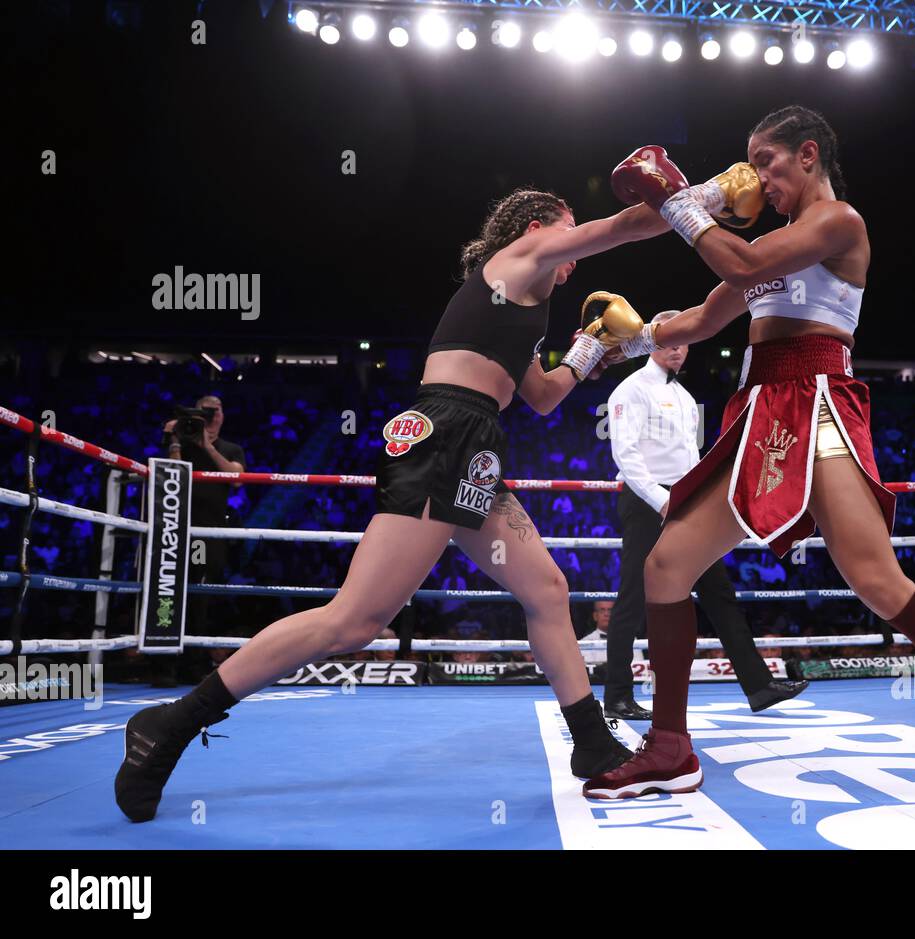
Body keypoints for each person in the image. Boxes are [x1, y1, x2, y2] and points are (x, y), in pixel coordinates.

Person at [115, 188, 671, 822]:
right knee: (352, 622)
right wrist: (693, 201)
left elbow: (541, 396)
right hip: (444, 436)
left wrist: (590, 345)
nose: (575, 259)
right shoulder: (522, 257)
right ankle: (171, 723)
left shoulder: (522, 310)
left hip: (477, 443)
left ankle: (593, 745)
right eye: (569, 235)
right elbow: (620, 226)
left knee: (546, 589)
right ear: (540, 228)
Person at [584, 107, 915, 827]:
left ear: (808, 155)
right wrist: (621, 342)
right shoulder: (770, 245)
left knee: (877, 580)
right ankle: (670, 744)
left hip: (819, 401)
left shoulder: (841, 224)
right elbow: (702, 319)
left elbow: (737, 263)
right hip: (759, 410)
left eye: (767, 161)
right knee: (665, 566)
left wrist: (677, 200)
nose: (756, 179)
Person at [603, 310, 806, 720]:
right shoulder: (631, 389)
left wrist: (700, 499)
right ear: (654, 340)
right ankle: (618, 696)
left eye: (685, 340)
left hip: (684, 501)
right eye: (671, 339)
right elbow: (626, 456)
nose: (679, 347)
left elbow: (692, 459)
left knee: (718, 592)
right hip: (648, 502)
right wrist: (661, 500)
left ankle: (759, 686)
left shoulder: (683, 397)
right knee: (633, 597)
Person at [160, 395, 246, 686]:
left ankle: (195, 664)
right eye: (204, 412)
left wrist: (207, 445)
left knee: (202, 597)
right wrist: (174, 438)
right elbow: (170, 473)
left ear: (222, 415)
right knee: (170, 594)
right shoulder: (179, 443)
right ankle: (166, 664)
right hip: (173, 527)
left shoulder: (230, 448)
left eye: (215, 411)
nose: (209, 416)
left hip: (209, 533)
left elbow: (236, 478)